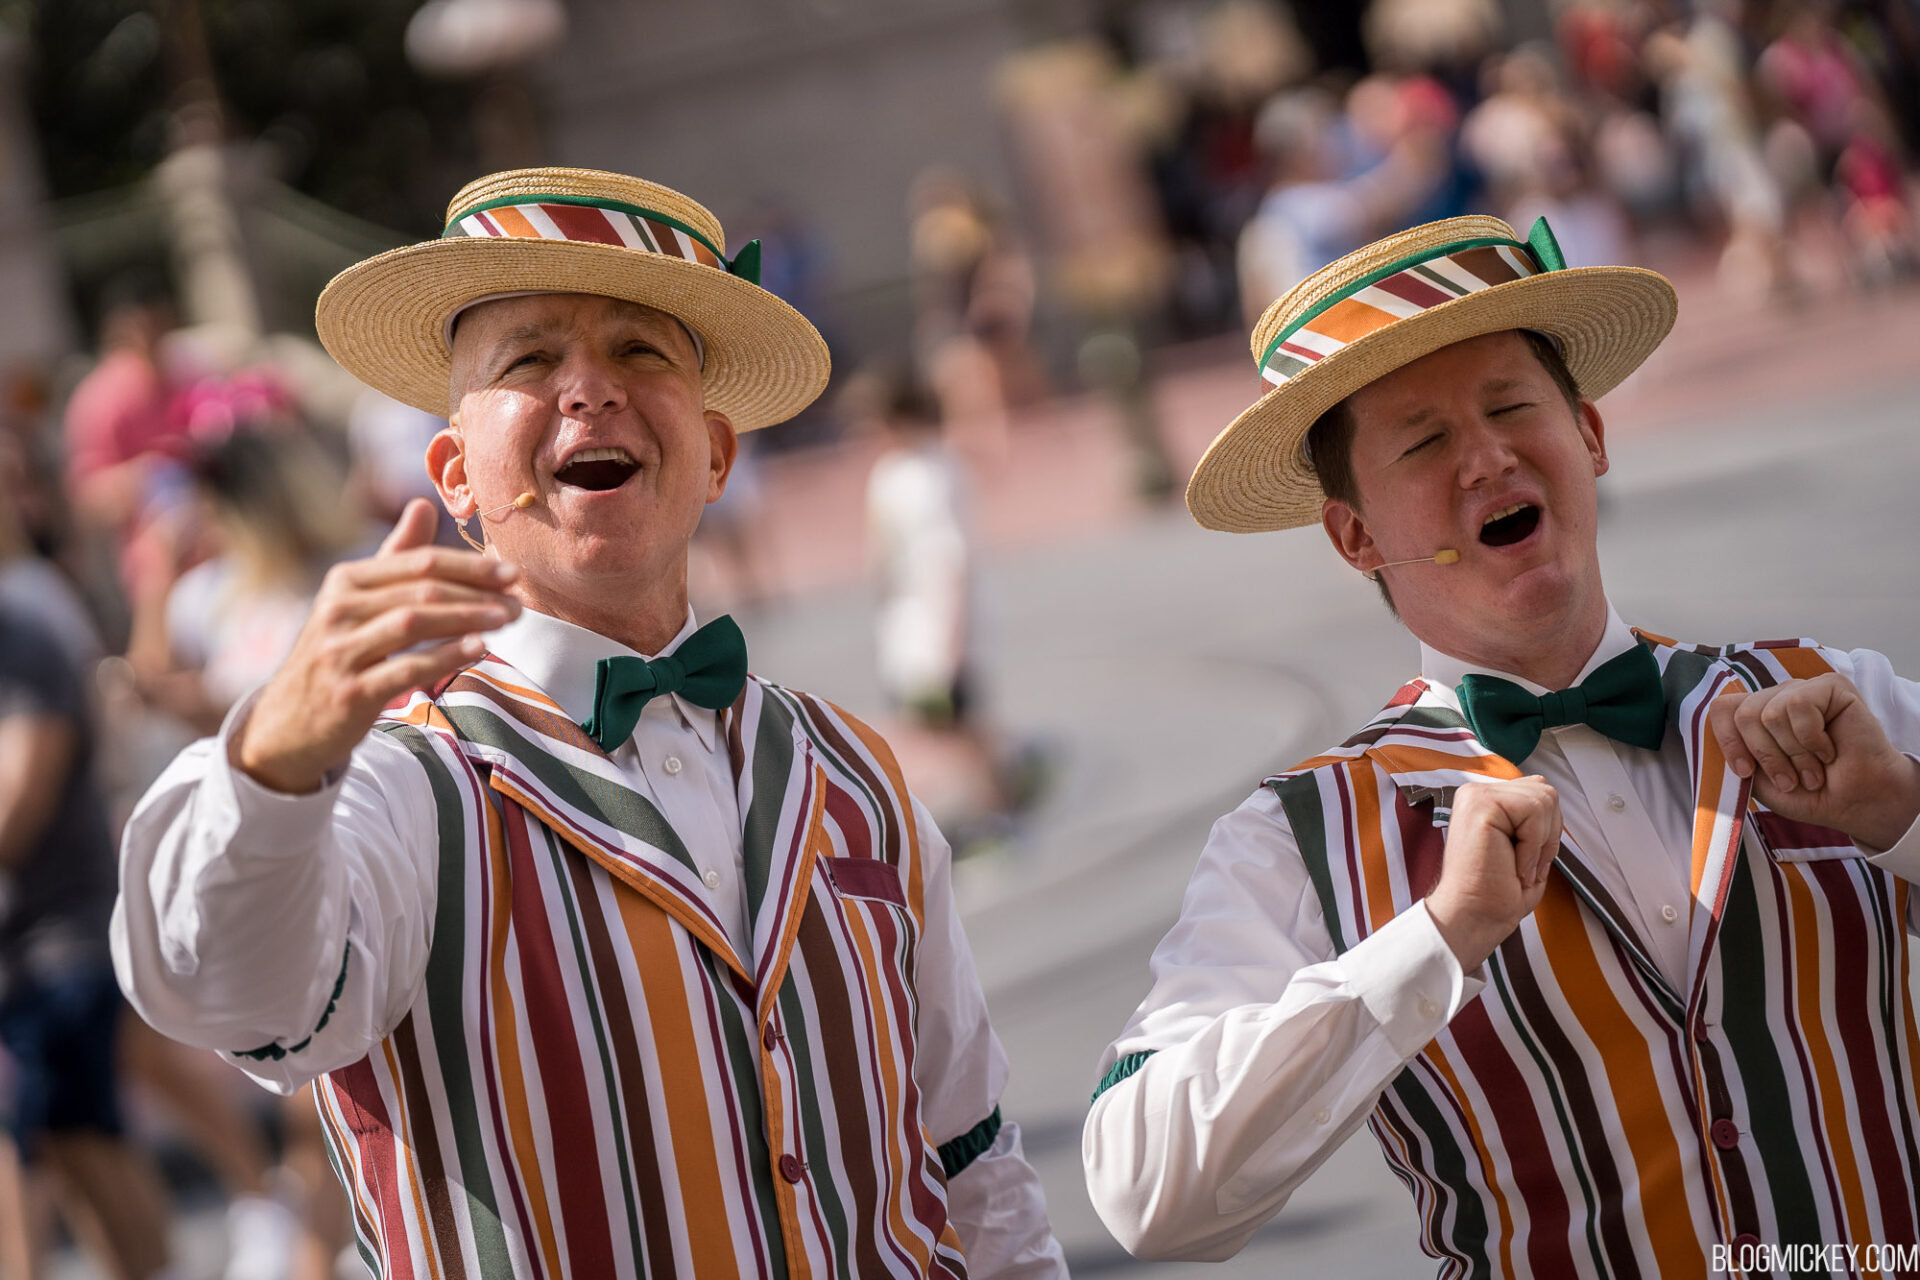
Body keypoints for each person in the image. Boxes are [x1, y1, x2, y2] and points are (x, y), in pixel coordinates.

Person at [113, 167, 1067, 1279]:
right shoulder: (409, 782)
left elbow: (972, 1156)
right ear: (454, 472)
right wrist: (275, 758)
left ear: (716, 454)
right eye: (529, 359)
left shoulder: (853, 770)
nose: (589, 390)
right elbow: (220, 985)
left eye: (640, 351)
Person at [1083, 214, 1920, 1272]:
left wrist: (1905, 816)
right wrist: (1431, 940)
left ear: (1591, 435)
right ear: (1356, 536)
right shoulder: (1298, 838)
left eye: (1513, 407)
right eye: (1426, 443)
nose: (1486, 455)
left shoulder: (1835, 699)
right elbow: (1142, 1190)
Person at [0, 602, 175, 1280]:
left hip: (63, 936)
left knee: (86, 1138)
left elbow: (25, 789)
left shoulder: (23, 636)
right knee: (64, 1145)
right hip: (24, 952)